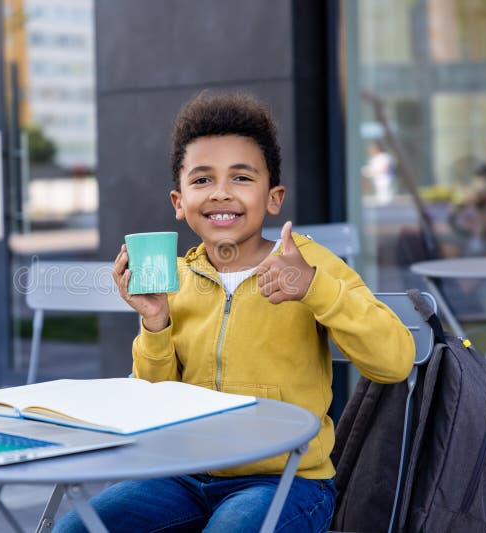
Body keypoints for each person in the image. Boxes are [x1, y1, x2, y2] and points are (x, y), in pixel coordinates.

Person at [54, 92, 415, 533]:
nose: (221, 193)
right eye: (202, 180)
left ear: (274, 197)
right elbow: (152, 406)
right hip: (184, 477)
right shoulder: (177, 279)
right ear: (179, 201)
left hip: (285, 481)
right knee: (75, 528)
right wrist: (155, 323)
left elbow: (395, 362)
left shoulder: (307, 264)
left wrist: (316, 289)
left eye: (241, 178)